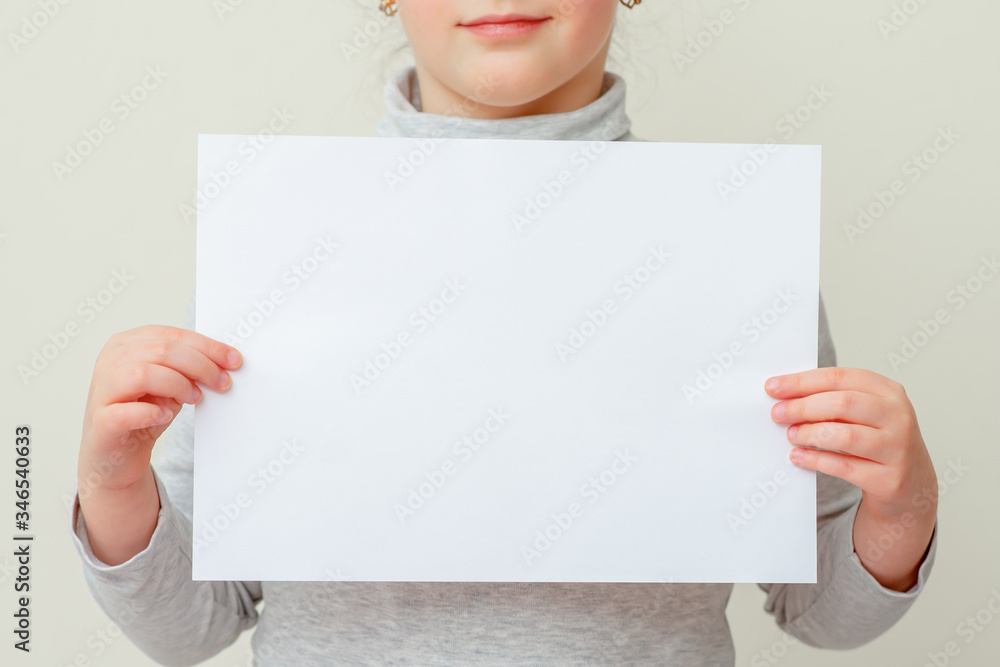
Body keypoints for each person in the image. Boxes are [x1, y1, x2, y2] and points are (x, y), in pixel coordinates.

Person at [72, 1, 938, 664]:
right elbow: (194, 622)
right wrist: (114, 478)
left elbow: (819, 608)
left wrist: (903, 504)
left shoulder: (732, 246)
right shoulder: (284, 246)